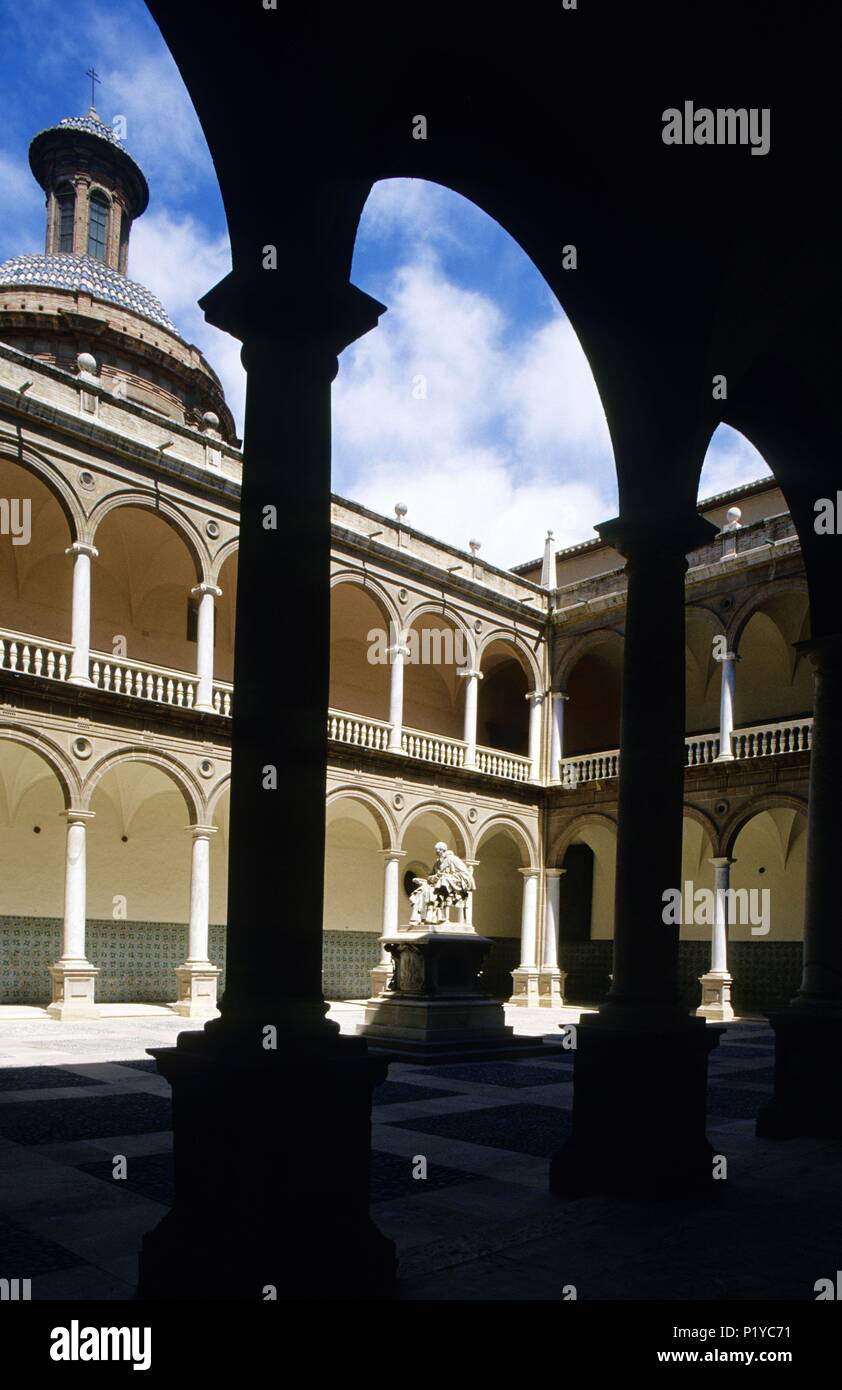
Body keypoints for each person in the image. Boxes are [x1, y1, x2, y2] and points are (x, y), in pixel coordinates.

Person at [409, 841, 475, 926]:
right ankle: (420, 918)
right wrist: (435, 877)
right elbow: (430, 877)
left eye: (437, 850)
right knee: (422, 890)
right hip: (437, 885)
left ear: (442, 850)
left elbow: (465, 875)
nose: (436, 852)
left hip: (451, 885)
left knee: (440, 885)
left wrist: (446, 876)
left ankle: (433, 915)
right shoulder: (437, 863)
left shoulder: (453, 859)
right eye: (436, 850)